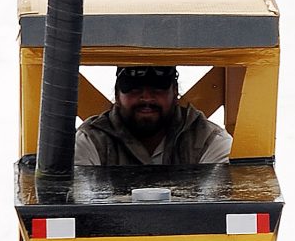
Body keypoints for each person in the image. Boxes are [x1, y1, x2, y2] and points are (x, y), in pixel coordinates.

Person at [75, 66, 232, 166]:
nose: (147, 98)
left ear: (175, 92)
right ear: (117, 95)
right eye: (134, 89)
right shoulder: (90, 141)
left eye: (158, 89)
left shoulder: (210, 140)